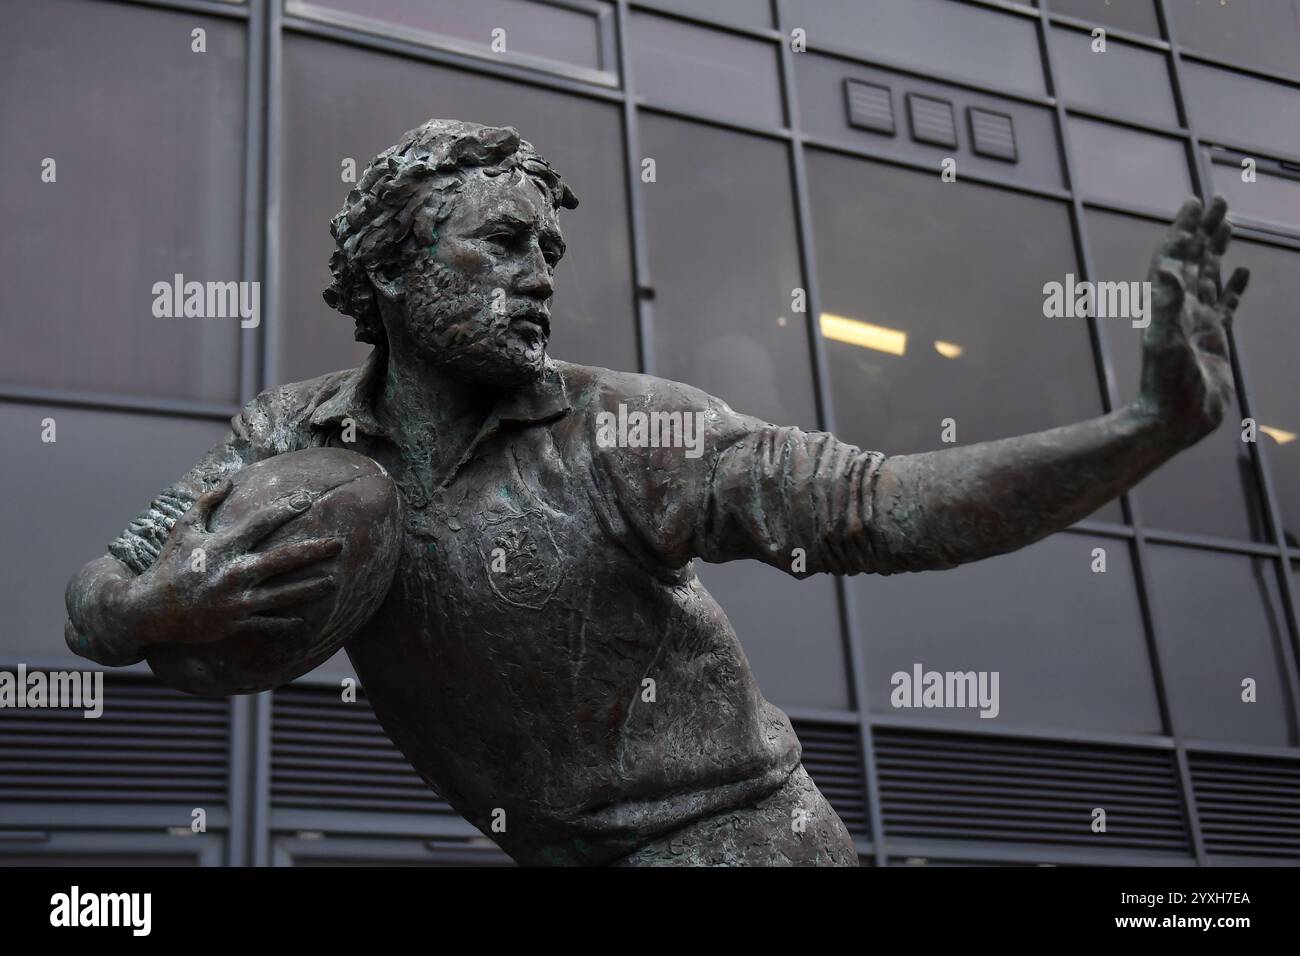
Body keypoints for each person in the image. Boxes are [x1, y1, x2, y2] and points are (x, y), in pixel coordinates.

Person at [65, 119, 1251, 866]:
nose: (540, 277)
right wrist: (144, 606)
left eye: (549, 253)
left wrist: (1141, 430)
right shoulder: (289, 434)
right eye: (501, 245)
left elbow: (876, 507)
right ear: (388, 268)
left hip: (738, 841)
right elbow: (104, 583)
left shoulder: (628, 425)